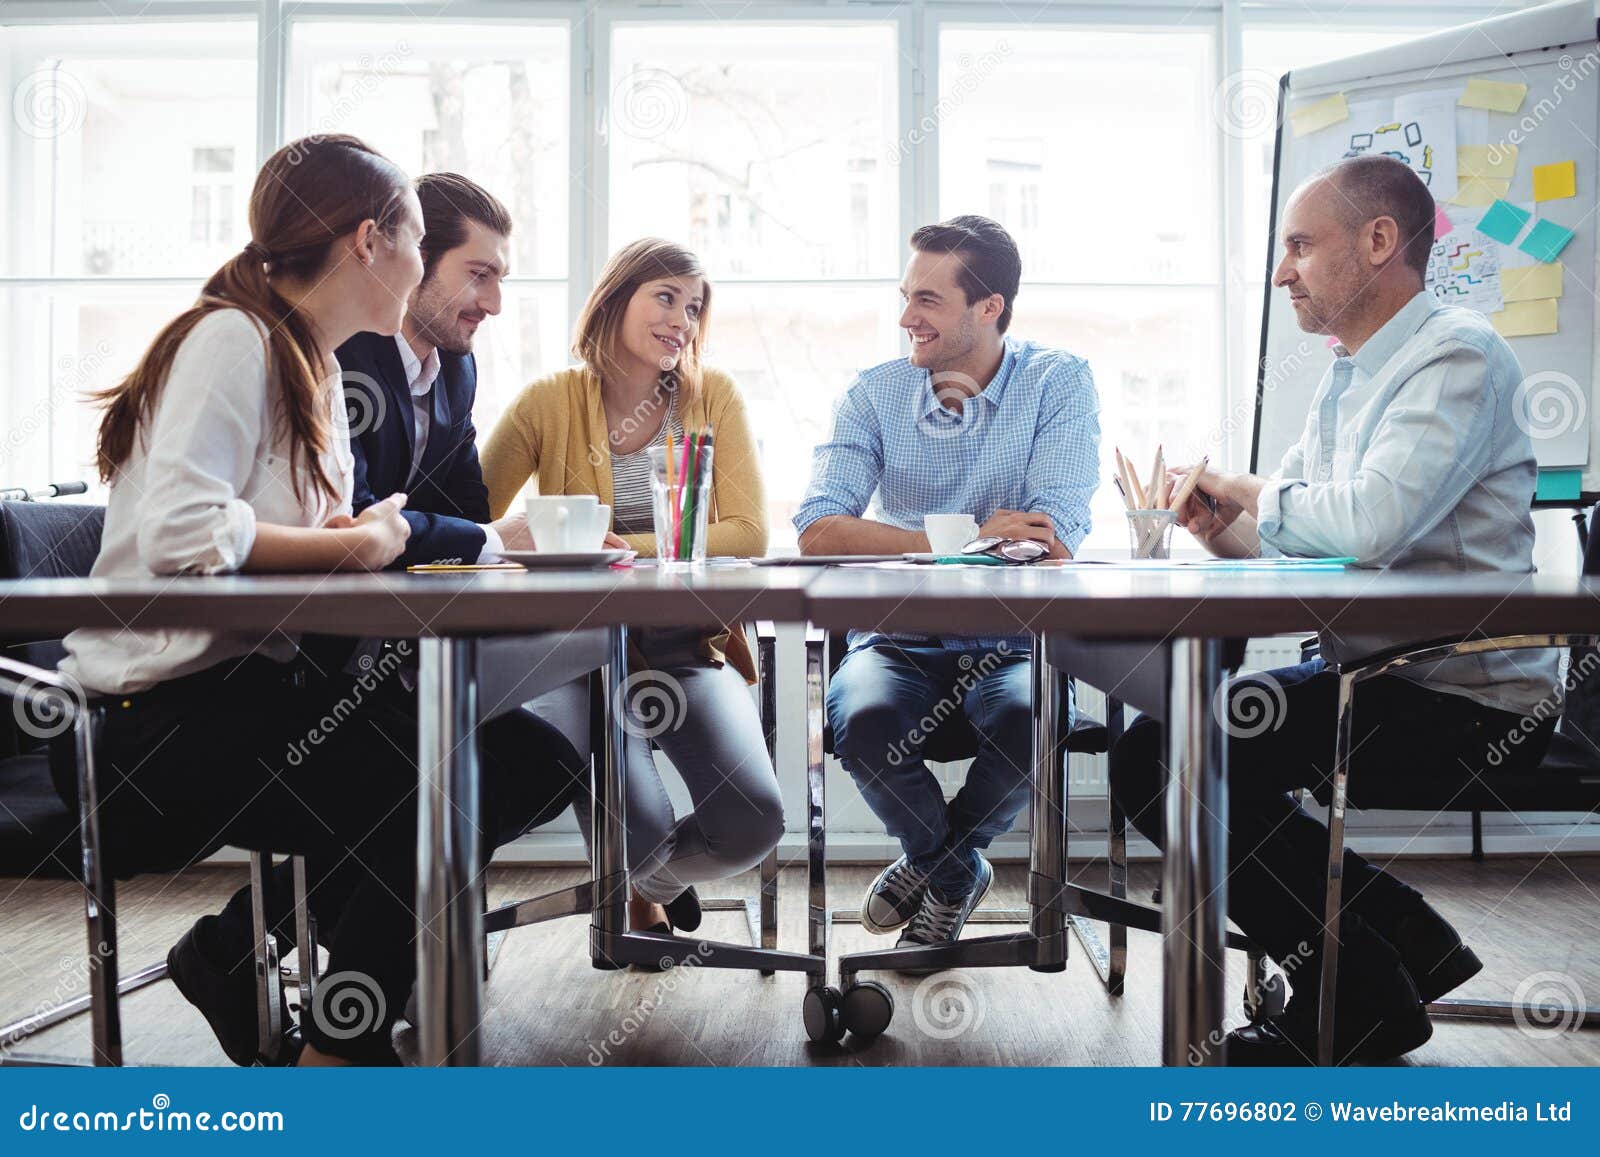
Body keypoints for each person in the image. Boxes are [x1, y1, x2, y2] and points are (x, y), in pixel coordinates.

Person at [58, 135, 580, 1067]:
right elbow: (186, 532)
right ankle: (342, 1049)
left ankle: (323, 1011)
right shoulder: (231, 338)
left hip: (255, 693)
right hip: (140, 726)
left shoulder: (316, 364)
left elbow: (332, 533)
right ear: (369, 242)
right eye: (420, 242)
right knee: (425, 785)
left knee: (507, 758)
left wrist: (363, 539)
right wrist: (360, 541)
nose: (421, 266)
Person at [1110, 154, 1563, 1065]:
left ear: (1380, 242)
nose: (1283, 272)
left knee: (1170, 761)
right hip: (1376, 677)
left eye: (1300, 246)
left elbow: (1369, 519)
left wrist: (1242, 486)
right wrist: (1224, 532)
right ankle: (1393, 947)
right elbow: (1311, 546)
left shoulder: (1459, 355)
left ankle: (1365, 991)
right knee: (1166, 753)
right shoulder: (1350, 374)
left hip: (1465, 701)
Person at [794, 215, 1100, 957]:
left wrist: (929, 539)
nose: (906, 318)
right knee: (862, 721)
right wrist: (961, 536)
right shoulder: (875, 395)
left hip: (1016, 643)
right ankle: (955, 872)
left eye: (927, 299)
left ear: (989, 307)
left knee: (1034, 719)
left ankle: (930, 864)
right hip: (895, 638)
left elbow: (1051, 535)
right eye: (906, 296)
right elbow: (819, 528)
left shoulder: (1057, 382)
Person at [480, 238, 782, 939]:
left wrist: (610, 548)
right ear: (616, 298)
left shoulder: (716, 398)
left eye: (695, 306)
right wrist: (533, 537)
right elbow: (468, 524)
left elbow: (746, 533)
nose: (683, 319)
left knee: (752, 822)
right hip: (579, 656)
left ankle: (651, 884)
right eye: (666, 298)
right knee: (637, 836)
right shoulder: (547, 403)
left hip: (685, 647)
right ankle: (638, 881)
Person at [336, 172, 532, 566]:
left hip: (418, 613)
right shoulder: (343, 356)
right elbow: (356, 515)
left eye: (500, 280)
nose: (495, 305)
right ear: (416, 262)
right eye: (479, 275)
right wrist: (491, 538)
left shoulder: (458, 369)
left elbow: (467, 512)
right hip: (330, 610)